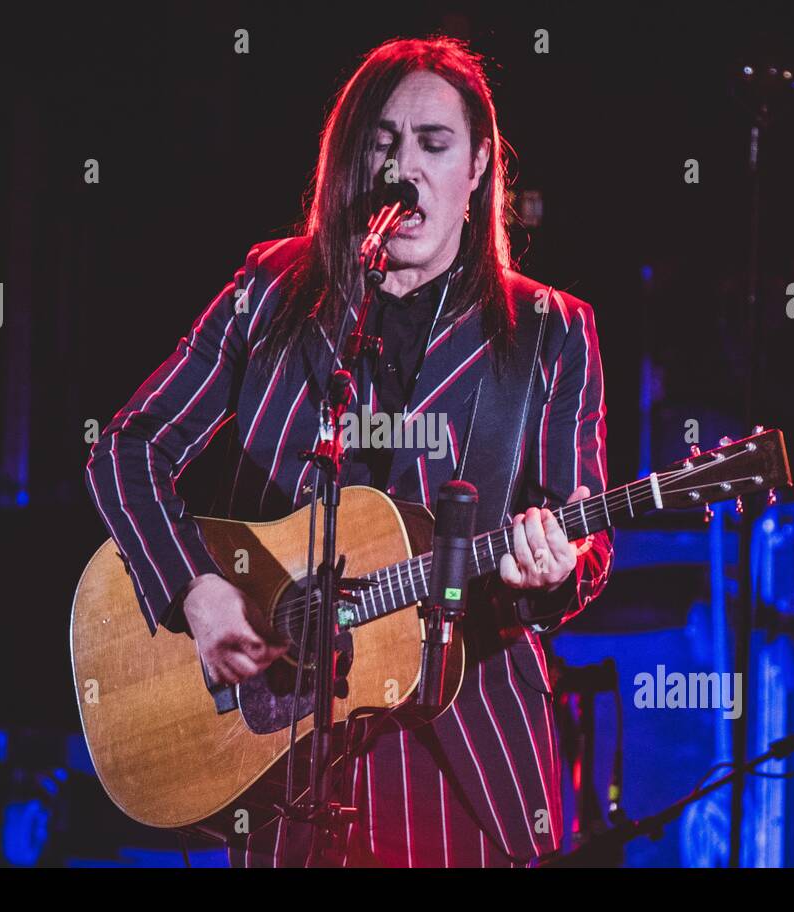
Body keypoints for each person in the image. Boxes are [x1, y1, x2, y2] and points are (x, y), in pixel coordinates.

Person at [86, 35, 611, 867]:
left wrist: (556, 567)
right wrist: (196, 588)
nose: (404, 169)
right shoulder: (272, 294)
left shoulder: (548, 332)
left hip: (464, 746)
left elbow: (586, 541)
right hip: (281, 743)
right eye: (383, 143)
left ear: (477, 169)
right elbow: (126, 448)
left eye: (434, 145)